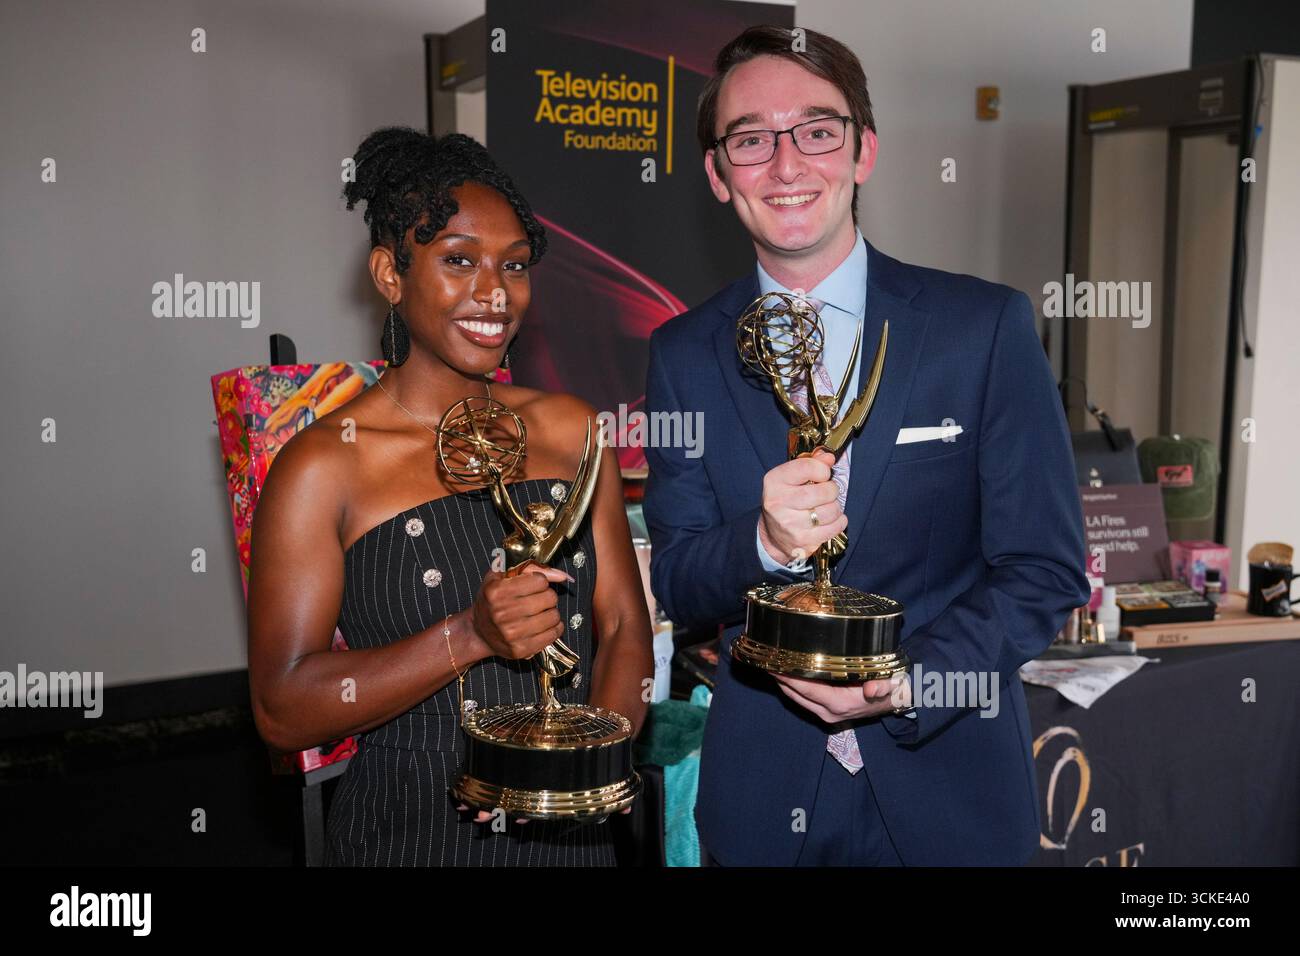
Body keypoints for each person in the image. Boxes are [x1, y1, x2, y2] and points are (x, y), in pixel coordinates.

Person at [643, 26, 1089, 866]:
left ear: (863, 151)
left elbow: (1046, 571)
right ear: (716, 172)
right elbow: (675, 579)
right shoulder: (682, 354)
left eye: (816, 131)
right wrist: (763, 544)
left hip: (951, 790)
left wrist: (909, 682)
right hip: (763, 801)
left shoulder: (982, 329)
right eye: (750, 140)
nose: (786, 164)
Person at [246, 127, 652, 866]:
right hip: (413, 836)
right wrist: (467, 636)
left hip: (573, 836)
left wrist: (587, 762)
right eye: (458, 261)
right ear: (390, 273)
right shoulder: (323, 467)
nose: (494, 293)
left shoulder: (571, 428)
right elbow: (281, 707)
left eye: (515, 265)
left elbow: (625, 623)